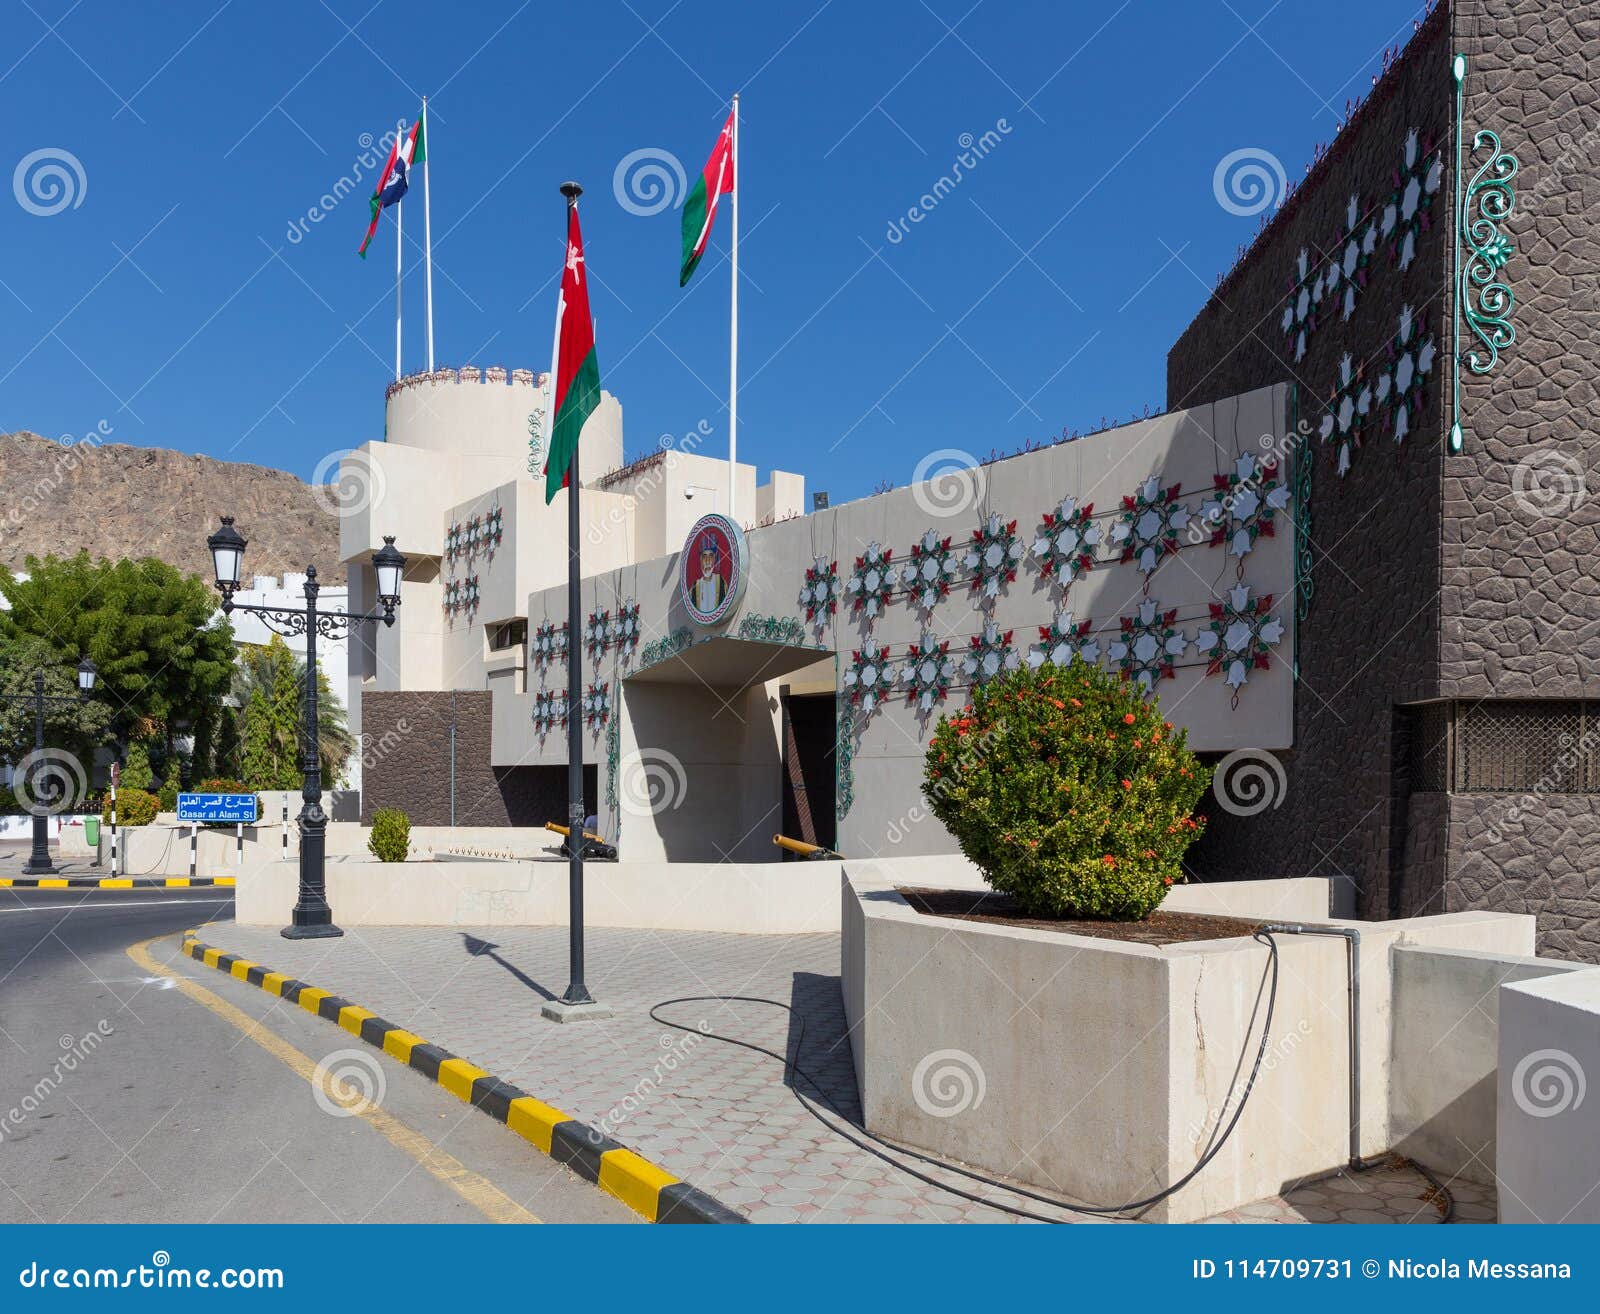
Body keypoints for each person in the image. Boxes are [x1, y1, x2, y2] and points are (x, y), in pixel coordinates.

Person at [692, 532, 727, 613]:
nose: (707, 561)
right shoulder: (695, 586)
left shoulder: (721, 582)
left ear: (714, 559)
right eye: (704, 556)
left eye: (711, 556)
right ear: (700, 560)